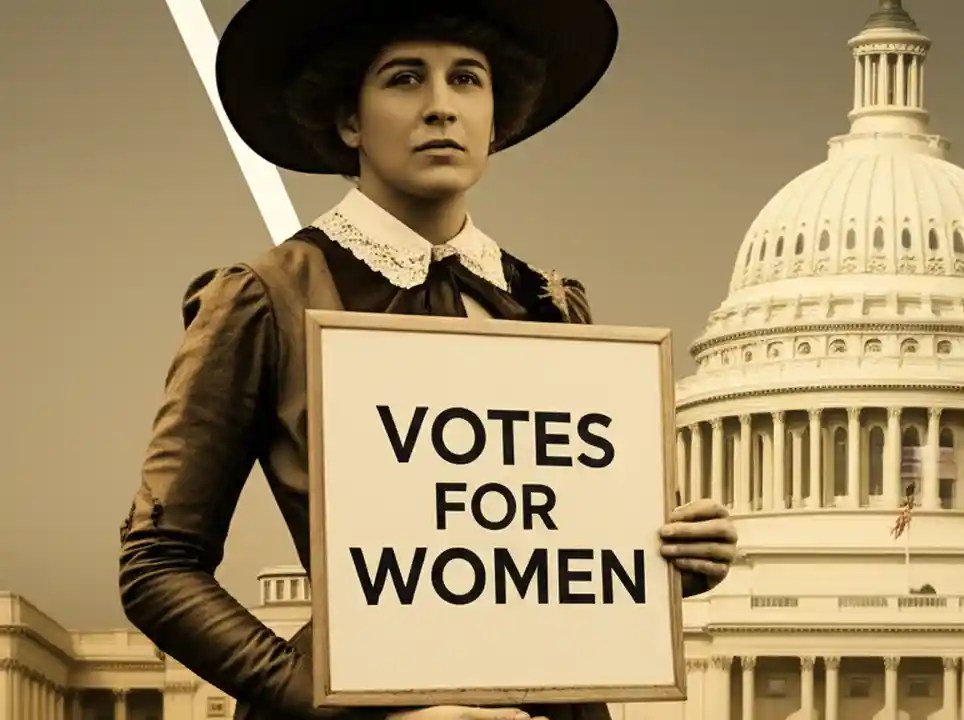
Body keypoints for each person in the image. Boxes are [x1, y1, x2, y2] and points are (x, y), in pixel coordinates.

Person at [116, 2, 738, 720]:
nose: (441, 108)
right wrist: (315, 696)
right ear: (349, 119)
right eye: (406, 79)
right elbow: (157, 564)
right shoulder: (265, 297)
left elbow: (561, 552)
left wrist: (677, 558)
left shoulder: (552, 303)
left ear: (497, 119)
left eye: (467, 80)